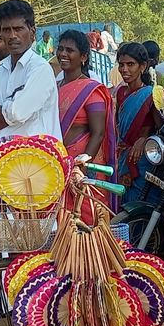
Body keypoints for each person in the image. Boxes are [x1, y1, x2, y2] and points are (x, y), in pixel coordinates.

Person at [0, 0, 61, 141]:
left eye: (18, 29)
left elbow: (18, 112)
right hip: (3, 153)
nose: (12, 36)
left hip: (38, 153)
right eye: (6, 30)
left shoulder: (40, 69)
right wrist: (12, 111)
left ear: (32, 32)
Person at [57, 29, 117, 215]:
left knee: (86, 217)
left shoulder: (91, 90)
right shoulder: (54, 87)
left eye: (70, 50)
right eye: (60, 49)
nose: (63, 54)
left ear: (83, 57)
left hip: (82, 165)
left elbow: (98, 133)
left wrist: (82, 164)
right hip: (58, 163)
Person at [115, 42, 161, 205]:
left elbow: (161, 131)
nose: (124, 69)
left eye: (130, 64)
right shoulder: (120, 93)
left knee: (142, 204)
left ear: (143, 66)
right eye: (121, 65)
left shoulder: (151, 95)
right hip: (122, 157)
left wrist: (144, 139)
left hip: (143, 160)